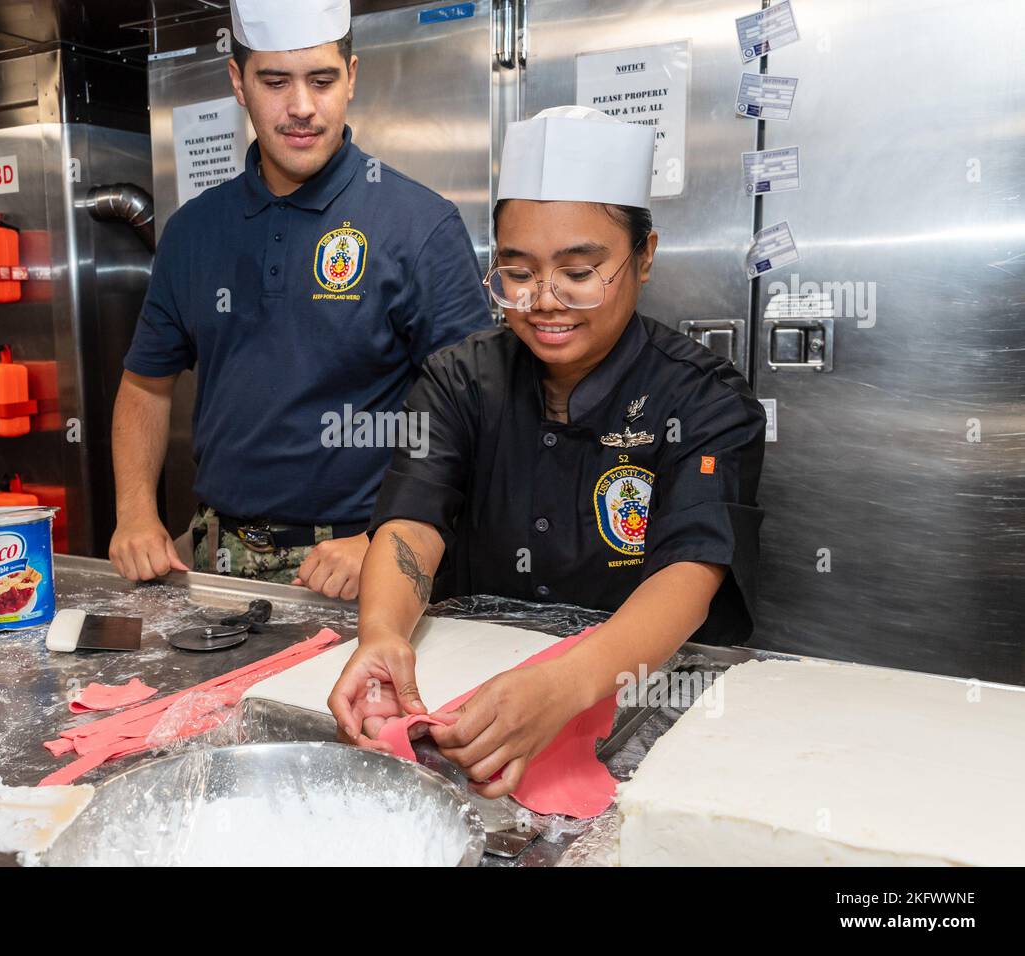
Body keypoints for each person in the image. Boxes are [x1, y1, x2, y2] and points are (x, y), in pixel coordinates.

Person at [328, 106, 767, 798]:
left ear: (644, 256)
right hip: (479, 680)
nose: (544, 303)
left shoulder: (704, 399)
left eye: (579, 272)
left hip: (652, 702)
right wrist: (381, 633)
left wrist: (562, 686)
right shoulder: (459, 379)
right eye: (517, 272)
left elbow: (691, 570)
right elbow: (413, 520)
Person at [110, 0, 491, 598]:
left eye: (322, 79)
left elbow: (475, 413)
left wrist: (388, 541)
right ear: (238, 82)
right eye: (274, 81)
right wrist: (135, 511)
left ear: (353, 77)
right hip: (214, 565)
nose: (302, 108)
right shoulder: (192, 231)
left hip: (356, 566)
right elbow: (145, 384)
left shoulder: (418, 225)